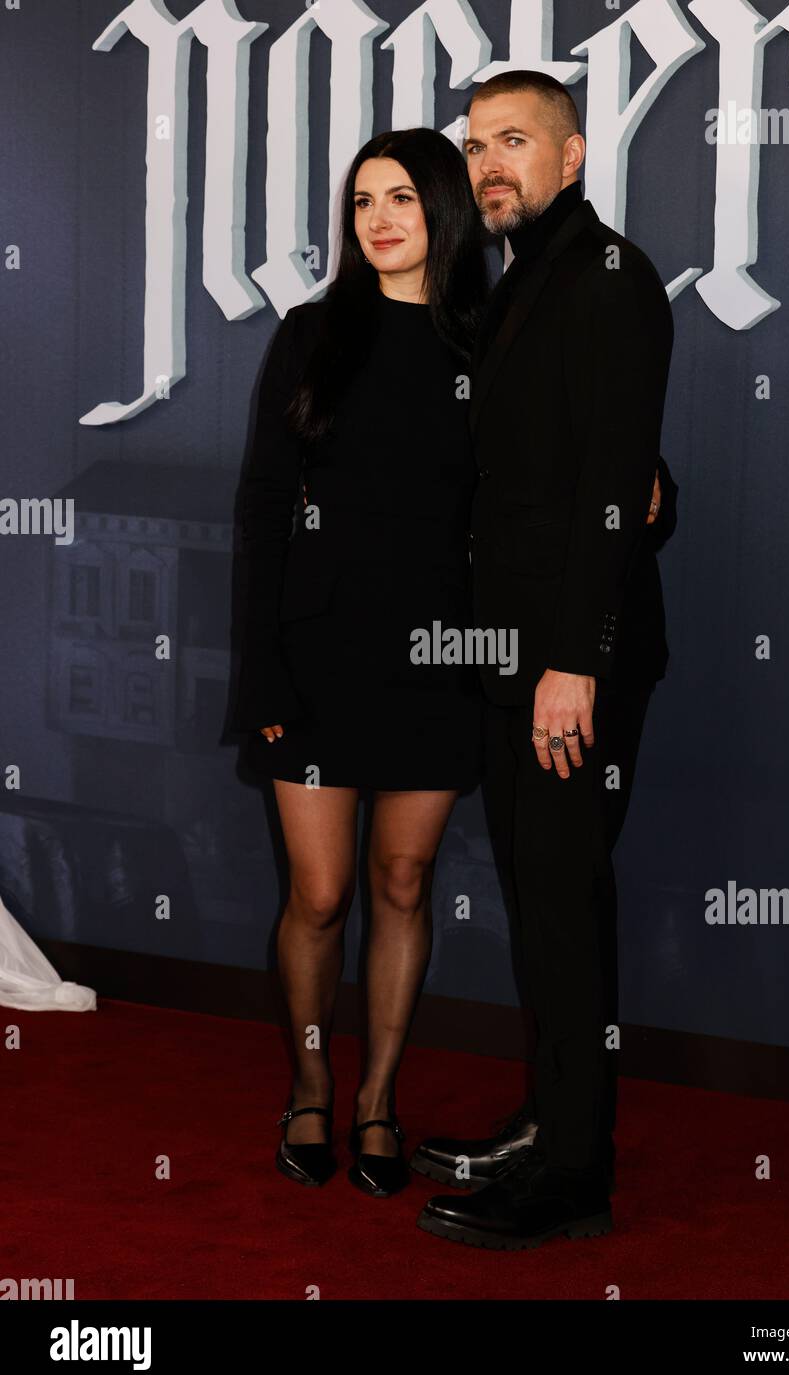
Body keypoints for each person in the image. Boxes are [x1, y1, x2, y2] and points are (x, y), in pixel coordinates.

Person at [413, 71, 677, 1249]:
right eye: (476, 147)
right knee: (539, 903)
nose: (489, 166)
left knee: (562, 908)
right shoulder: (521, 282)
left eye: (513, 142)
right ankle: (550, 1119)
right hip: (510, 653)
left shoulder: (610, 278)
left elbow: (617, 486)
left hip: (571, 662)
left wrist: (573, 663)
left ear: (572, 157)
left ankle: (575, 1172)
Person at [229, 128, 488, 1198]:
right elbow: (259, 510)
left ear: (444, 214)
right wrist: (264, 676)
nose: (378, 220)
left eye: (402, 199)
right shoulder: (310, 334)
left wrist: (645, 484)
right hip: (317, 657)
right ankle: (310, 1085)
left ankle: (378, 1097)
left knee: (401, 879)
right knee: (323, 892)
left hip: (440, 659)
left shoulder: (489, 340)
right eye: (361, 202)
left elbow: (563, 460)